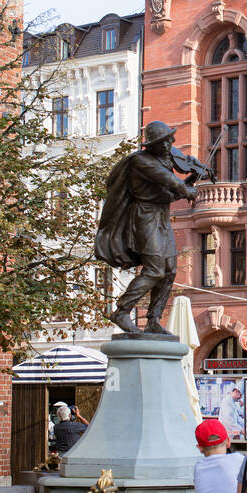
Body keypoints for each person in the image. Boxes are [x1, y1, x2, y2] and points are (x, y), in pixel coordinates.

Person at [95, 120, 198, 336]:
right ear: (152, 144)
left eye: (169, 139)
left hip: (161, 216)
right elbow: (169, 181)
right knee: (155, 269)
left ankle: (153, 319)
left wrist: (193, 178)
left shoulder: (163, 159)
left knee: (169, 270)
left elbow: (169, 193)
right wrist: (184, 188)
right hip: (145, 216)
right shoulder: (140, 161)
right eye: (163, 141)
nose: (169, 144)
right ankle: (122, 311)